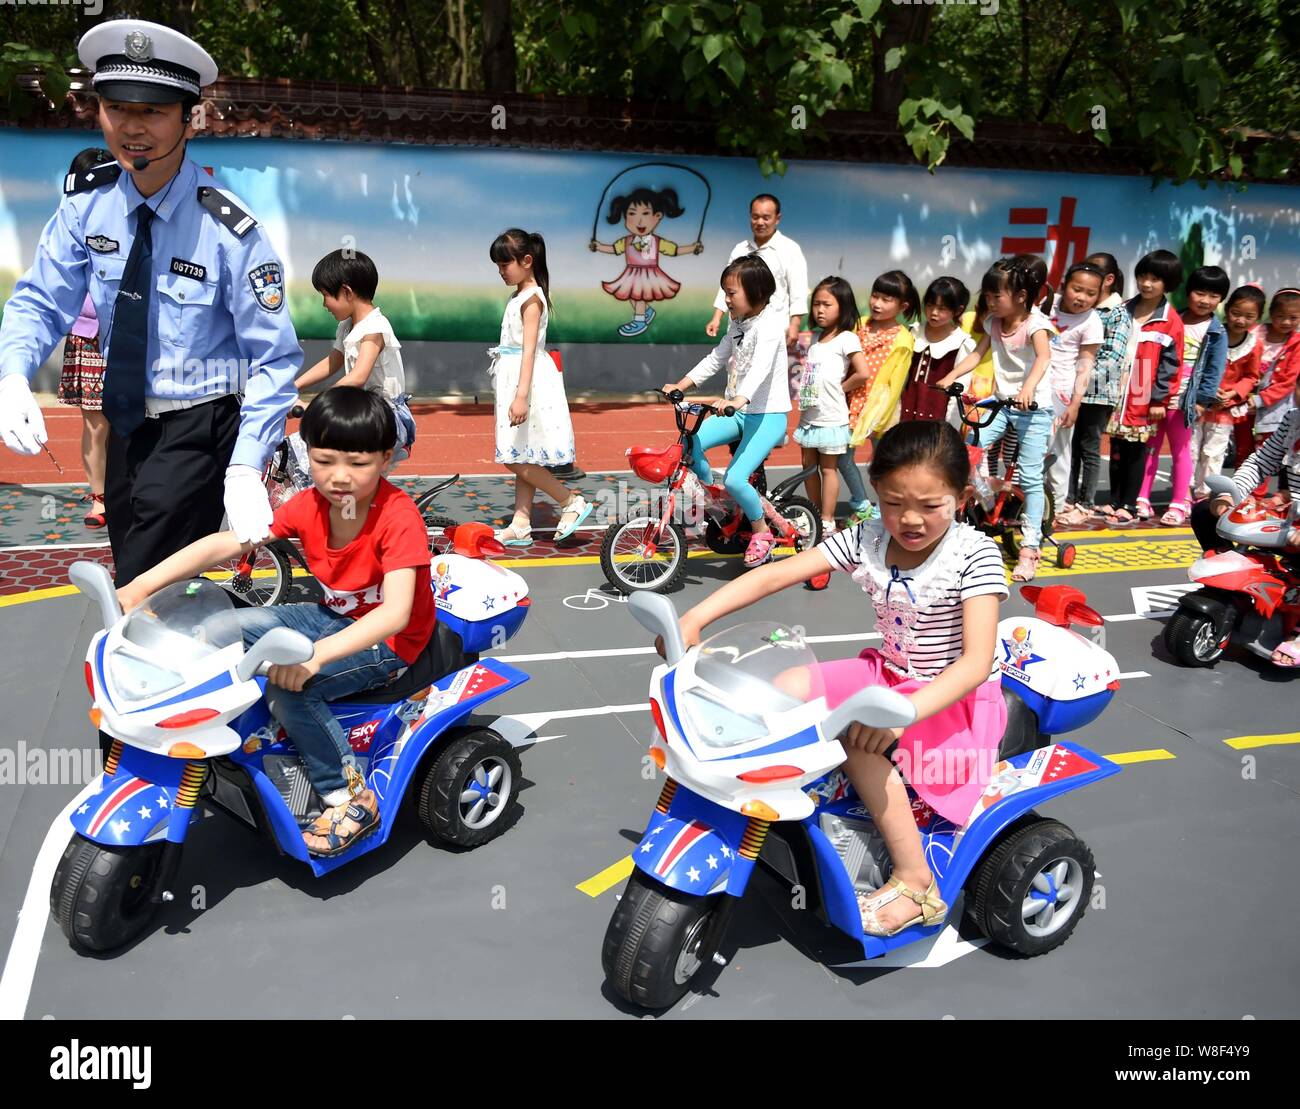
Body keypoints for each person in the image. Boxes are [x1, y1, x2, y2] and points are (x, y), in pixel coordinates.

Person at [670, 419, 1007, 934]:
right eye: (894, 503)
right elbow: (779, 572)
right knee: (780, 692)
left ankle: (917, 882)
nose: (909, 519)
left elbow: (975, 663)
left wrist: (901, 719)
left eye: (930, 505)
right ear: (875, 491)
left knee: (860, 748)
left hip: (947, 697)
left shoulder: (973, 554)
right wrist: (695, 618)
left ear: (959, 497)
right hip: (889, 673)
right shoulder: (869, 536)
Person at [0, 20, 301, 588]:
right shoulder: (86, 208)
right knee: (147, 576)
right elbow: (41, 299)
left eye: (153, 112)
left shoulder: (228, 229)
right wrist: (12, 375)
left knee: (143, 587)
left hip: (197, 427)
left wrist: (246, 462)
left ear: (189, 118)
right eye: (117, 108)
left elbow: (276, 357)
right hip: (124, 424)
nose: (132, 128)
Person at [116, 388, 435, 853]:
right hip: (328, 616)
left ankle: (349, 795)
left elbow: (395, 612)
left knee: (292, 689)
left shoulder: (397, 516)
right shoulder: (309, 504)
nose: (339, 478)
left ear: (386, 458)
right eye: (325, 461)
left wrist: (314, 659)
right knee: (220, 628)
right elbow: (226, 544)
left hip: (388, 642)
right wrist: (142, 584)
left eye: (358, 464)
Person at [662, 254, 790, 567]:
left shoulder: (770, 326)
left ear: (756, 293)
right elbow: (716, 358)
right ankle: (717, 501)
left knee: (735, 478)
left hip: (766, 416)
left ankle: (761, 532)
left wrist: (738, 399)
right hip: (740, 412)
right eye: (725, 292)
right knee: (690, 442)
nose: (726, 300)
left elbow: (760, 370)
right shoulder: (737, 325)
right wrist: (680, 385)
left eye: (731, 293)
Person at [940, 256, 1055, 581]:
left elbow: (1043, 357)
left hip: (1034, 410)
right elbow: (977, 355)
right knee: (966, 454)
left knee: (1031, 478)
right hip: (1004, 405)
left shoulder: (1036, 325)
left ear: (1020, 296)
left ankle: (1030, 548)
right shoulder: (993, 323)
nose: (990, 302)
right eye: (988, 296)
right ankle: (989, 498)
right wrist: (951, 377)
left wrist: (1029, 388)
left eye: (996, 296)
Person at [487, 228, 591, 547]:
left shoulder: (532, 299)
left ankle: (570, 500)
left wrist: (520, 397)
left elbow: (529, 350)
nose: (502, 271)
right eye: (499, 265)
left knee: (512, 456)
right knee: (523, 451)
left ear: (527, 261)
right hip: (515, 377)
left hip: (527, 381)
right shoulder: (519, 294)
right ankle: (521, 522)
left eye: (506, 264)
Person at [1192, 378, 1300, 666]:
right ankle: (1231, 594)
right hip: (1292, 515)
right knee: (1205, 513)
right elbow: (1261, 462)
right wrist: (1230, 495)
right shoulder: (1293, 420)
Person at [294, 249, 416, 468]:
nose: (324, 304)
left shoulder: (375, 328)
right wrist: (295, 386)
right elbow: (333, 361)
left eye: (325, 295)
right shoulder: (348, 326)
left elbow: (359, 376)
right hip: (363, 413)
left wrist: (317, 406)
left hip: (384, 420)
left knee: (329, 457)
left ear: (346, 292)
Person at [1135, 265, 1230, 526]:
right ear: (1188, 293)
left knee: (1180, 450)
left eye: (1213, 296)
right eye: (1200, 293)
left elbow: (1214, 369)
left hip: (1186, 401)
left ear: (1221, 300)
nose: (1205, 301)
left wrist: (1201, 400)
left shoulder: (1216, 332)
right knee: (1150, 448)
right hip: (1157, 396)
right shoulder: (1172, 319)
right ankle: (1141, 497)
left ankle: (1178, 503)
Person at [56, 147, 115, 529]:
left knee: (135, 418)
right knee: (96, 423)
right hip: (88, 338)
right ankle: (99, 498)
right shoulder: (67, 222)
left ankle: (125, 485)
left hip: (130, 335)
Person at [1106, 250, 1185, 524]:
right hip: (1115, 388)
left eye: (1155, 279)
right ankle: (1113, 501)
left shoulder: (1170, 320)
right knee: (1116, 448)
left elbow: (1170, 366)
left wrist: (1159, 400)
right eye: (1143, 276)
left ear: (1169, 283)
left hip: (1142, 391)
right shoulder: (1123, 308)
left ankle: (1128, 504)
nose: (1147, 284)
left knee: (1135, 449)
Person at [796, 277, 869, 533]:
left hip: (831, 417)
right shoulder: (816, 339)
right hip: (810, 416)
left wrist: (840, 388)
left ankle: (826, 519)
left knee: (829, 469)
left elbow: (862, 372)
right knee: (808, 468)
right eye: (816, 304)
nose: (820, 310)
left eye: (827, 304)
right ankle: (813, 514)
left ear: (844, 307)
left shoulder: (847, 338)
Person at [1072, 253, 1132, 520]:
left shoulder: (1117, 314)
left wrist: (1076, 379)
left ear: (1108, 279)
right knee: (1067, 446)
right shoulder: (1080, 308)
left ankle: (1085, 501)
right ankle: (1067, 497)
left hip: (1097, 393)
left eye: (1093, 271)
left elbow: (1112, 359)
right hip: (1070, 390)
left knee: (1089, 446)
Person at [705, 193, 808, 349]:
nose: (760, 222)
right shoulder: (740, 249)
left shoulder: (790, 249)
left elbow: (798, 291)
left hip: (774, 330)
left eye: (766, 218)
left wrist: (795, 325)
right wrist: (717, 317)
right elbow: (727, 288)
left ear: (777, 218)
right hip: (740, 330)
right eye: (755, 217)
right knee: (736, 372)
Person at [1045, 262, 1104, 524]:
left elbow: (1085, 363)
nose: (1082, 298)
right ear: (1063, 285)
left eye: (1090, 294)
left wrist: (1075, 403)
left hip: (1061, 393)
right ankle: (1022, 501)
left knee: (1056, 451)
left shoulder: (1092, 321)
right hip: (1032, 387)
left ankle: (1055, 508)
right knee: (1026, 450)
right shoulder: (1046, 304)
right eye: (1076, 289)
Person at [1193, 285, 1264, 500]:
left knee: (1214, 452)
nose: (1241, 320)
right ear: (1227, 309)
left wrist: (1233, 393)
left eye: (1249, 316)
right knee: (1191, 449)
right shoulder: (1213, 334)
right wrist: (1207, 390)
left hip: (1225, 409)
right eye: (1236, 313)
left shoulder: (1254, 344)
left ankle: (1205, 495)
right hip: (1200, 404)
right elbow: (1198, 365)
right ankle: (1183, 494)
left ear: (1258, 317)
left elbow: (1252, 376)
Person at [898, 277, 975, 424]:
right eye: (930, 305)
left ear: (958, 310)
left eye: (942, 308)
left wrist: (950, 429)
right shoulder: (912, 332)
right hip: (904, 416)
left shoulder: (962, 343)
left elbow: (960, 393)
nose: (933, 312)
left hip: (937, 422)